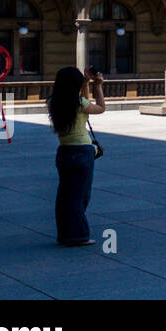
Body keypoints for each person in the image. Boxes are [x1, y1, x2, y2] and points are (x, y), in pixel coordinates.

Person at [47, 66, 106, 246]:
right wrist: (98, 86)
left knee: (65, 195)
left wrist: (85, 84)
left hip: (64, 152)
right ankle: (78, 235)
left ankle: (65, 234)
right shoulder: (79, 104)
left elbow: (83, 104)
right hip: (82, 152)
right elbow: (100, 108)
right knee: (80, 196)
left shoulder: (53, 102)